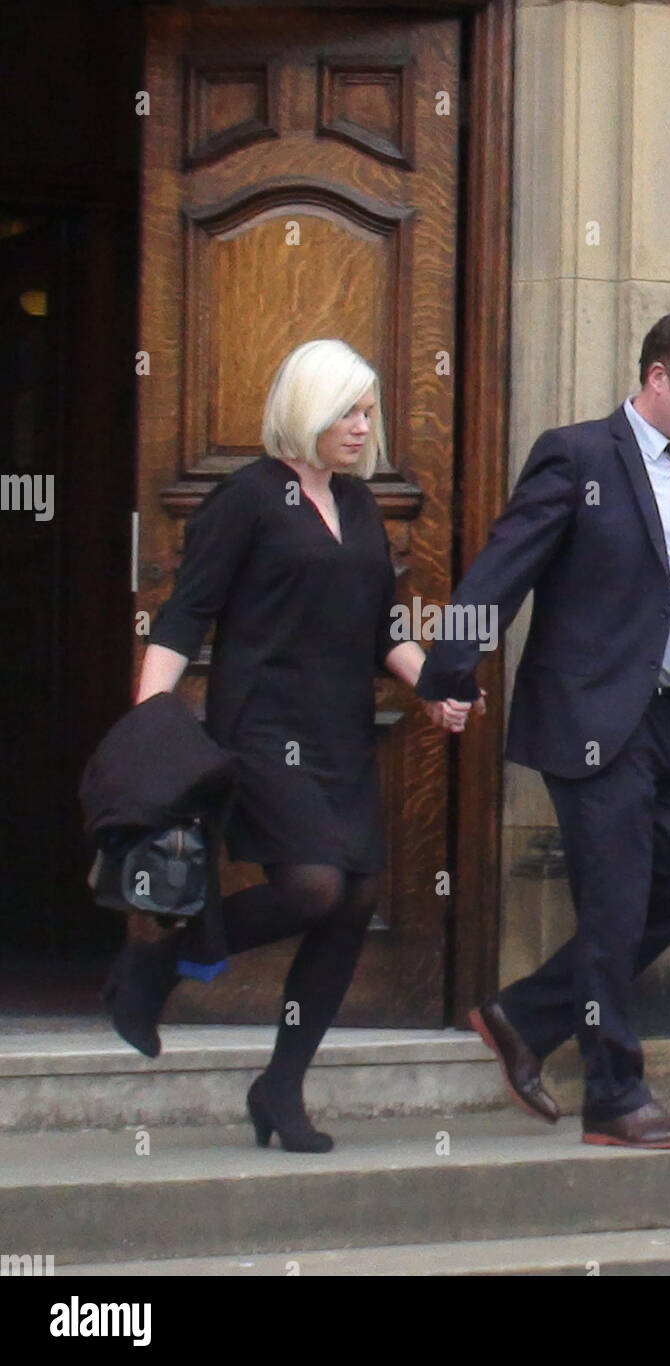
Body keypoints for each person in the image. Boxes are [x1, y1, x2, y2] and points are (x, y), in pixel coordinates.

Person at [107, 338, 471, 1152]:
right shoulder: (246, 497)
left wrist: (431, 687)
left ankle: (281, 1088)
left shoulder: (363, 504)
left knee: (356, 897)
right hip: (264, 726)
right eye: (347, 409)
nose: (360, 426)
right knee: (311, 886)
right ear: (306, 410)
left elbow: (382, 627)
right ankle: (159, 964)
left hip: (341, 727)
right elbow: (184, 614)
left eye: (367, 411)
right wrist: (147, 720)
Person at [416, 306, 670, 1149]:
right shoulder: (578, 455)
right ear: (656, 378)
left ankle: (522, 1016)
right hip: (593, 717)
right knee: (613, 900)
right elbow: (503, 569)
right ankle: (614, 1096)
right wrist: (448, 669)